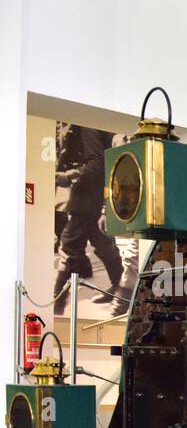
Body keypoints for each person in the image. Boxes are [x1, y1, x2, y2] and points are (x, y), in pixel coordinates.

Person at [53, 124, 124, 315]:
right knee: (102, 244)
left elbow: (97, 163)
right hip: (87, 197)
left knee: (69, 245)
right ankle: (122, 289)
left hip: (88, 197)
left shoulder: (86, 126)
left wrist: (69, 176)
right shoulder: (77, 124)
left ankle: (56, 305)